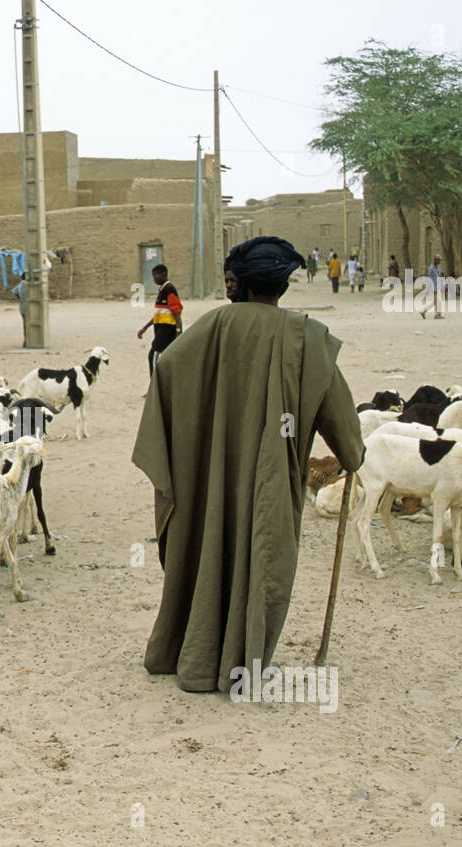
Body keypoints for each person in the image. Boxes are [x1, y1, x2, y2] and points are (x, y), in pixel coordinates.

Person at [132, 236, 364, 693]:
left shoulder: (210, 327)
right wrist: (351, 453)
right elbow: (345, 432)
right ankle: (240, 664)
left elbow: (166, 372)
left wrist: (197, 443)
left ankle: (191, 657)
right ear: (283, 286)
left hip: (205, 486)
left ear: (236, 285)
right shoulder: (306, 338)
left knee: (202, 553)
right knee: (263, 558)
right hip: (270, 484)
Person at [136, 263, 183, 376]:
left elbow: (177, 312)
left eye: (156, 275)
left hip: (166, 331)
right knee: (162, 358)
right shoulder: (162, 290)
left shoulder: (169, 289)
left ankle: (153, 388)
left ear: (164, 275)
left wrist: (178, 332)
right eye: (153, 276)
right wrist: (145, 328)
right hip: (161, 330)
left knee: (154, 355)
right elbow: (159, 315)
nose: (154, 279)